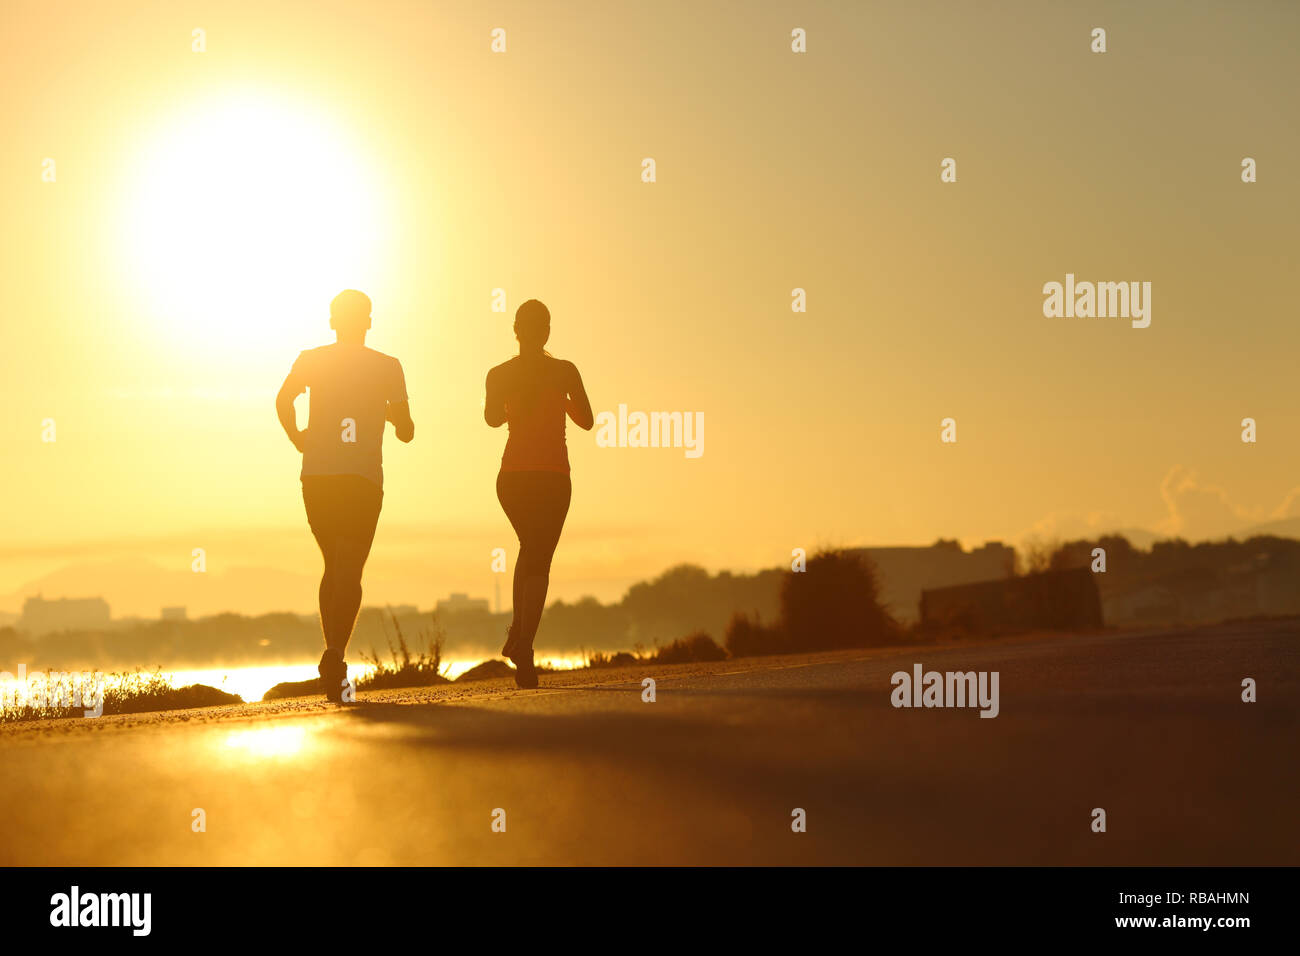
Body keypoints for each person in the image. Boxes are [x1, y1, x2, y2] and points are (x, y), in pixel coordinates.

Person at [276, 289, 413, 702]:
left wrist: (298, 437)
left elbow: (283, 399)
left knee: (333, 563)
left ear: (333, 321)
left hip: (316, 476)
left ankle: (332, 655)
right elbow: (406, 430)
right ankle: (334, 654)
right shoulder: (388, 366)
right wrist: (387, 412)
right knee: (349, 568)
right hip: (361, 479)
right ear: (368, 321)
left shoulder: (311, 359)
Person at [485, 299, 593, 688]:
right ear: (547, 331)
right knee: (538, 558)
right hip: (551, 477)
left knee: (529, 550)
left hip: (512, 478)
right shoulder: (565, 371)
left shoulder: (499, 374)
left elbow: (491, 418)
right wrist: (558, 398)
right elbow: (587, 421)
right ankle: (524, 647)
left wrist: (517, 403)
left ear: (516, 330)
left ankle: (518, 634)